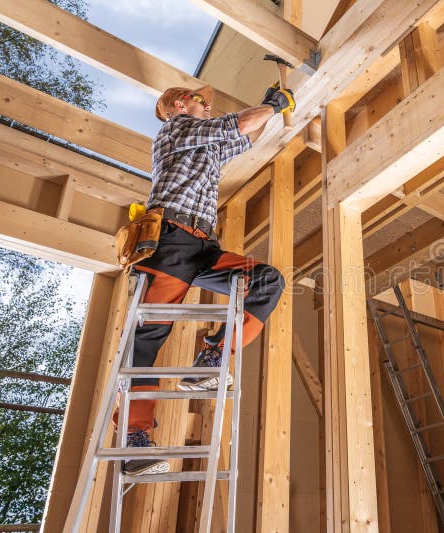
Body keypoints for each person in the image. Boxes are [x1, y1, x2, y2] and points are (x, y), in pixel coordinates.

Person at [118, 83, 295, 476]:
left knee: (266, 280)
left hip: (203, 247)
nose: (207, 104)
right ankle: (133, 445)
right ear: (180, 104)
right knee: (146, 344)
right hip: (170, 242)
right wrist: (270, 105)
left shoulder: (207, 144)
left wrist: (272, 110)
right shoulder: (176, 129)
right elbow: (243, 121)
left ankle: (212, 358)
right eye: (202, 101)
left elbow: (247, 133)